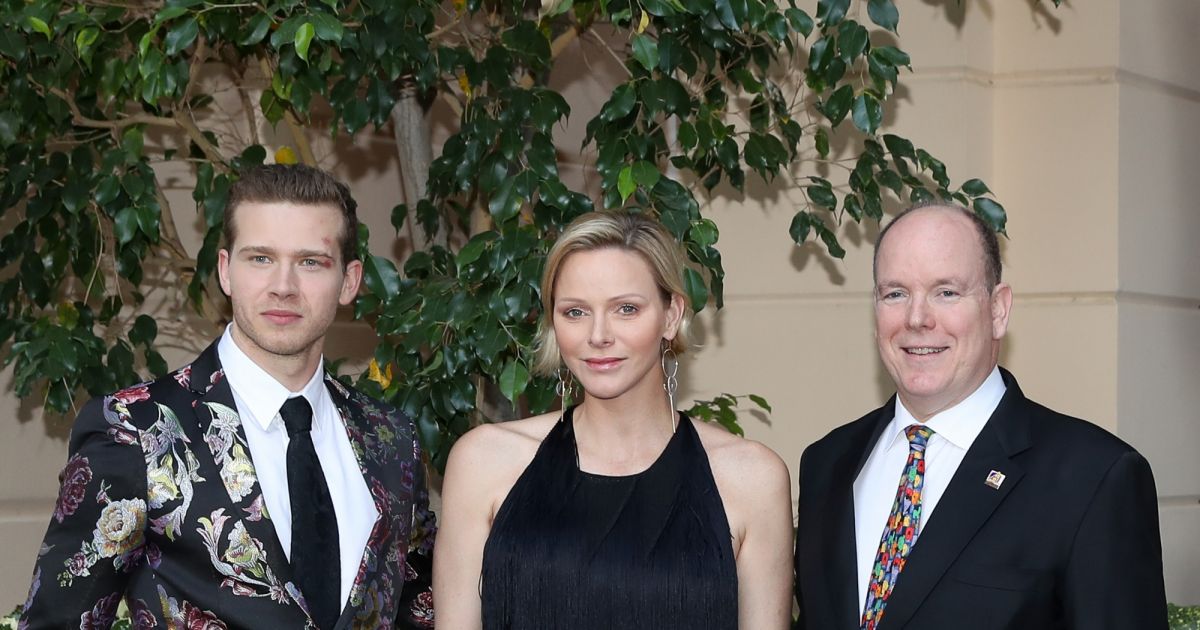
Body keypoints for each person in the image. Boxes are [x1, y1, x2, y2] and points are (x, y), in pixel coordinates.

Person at [19, 164, 435, 629]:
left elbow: (419, 612)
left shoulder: (392, 440)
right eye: (260, 258)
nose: (284, 286)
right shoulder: (133, 429)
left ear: (350, 281)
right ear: (225, 271)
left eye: (310, 262)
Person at [794, 202, 1168, 629]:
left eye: (946, 292)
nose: (917, 318)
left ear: (998, 310)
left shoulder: (1093, 478)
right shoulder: (826, 464)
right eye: (895, 293)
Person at [433, 211, 794, 628]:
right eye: (575, 312)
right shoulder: (484, 462)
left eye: (625, 308)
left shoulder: (751, 478)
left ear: (671, 315)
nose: (598, 334)